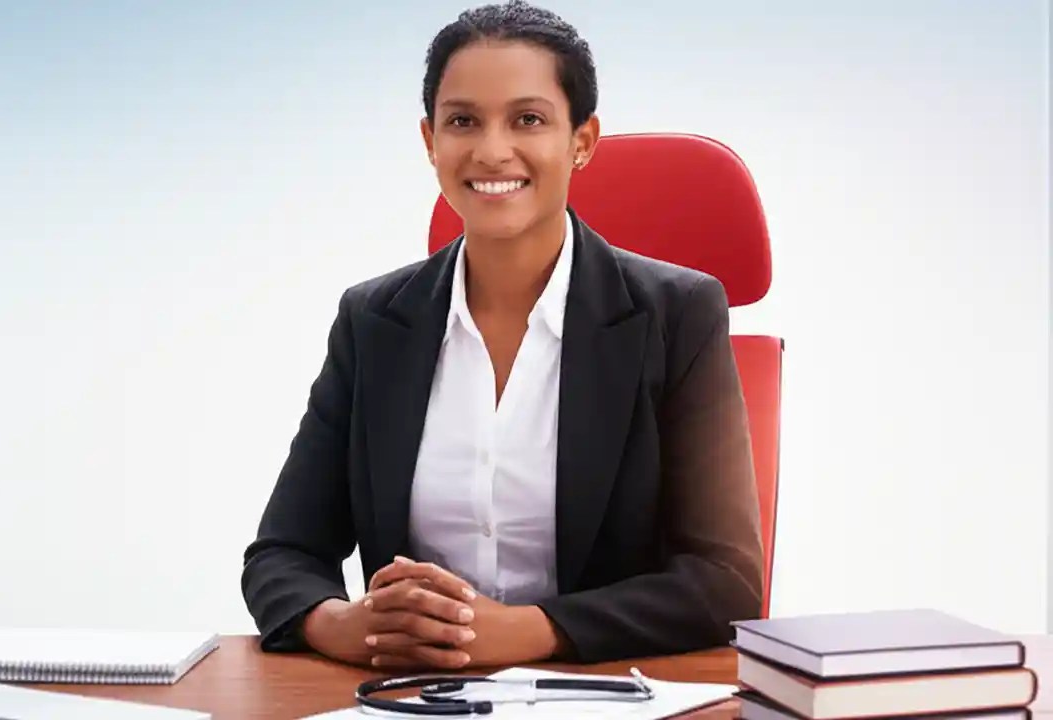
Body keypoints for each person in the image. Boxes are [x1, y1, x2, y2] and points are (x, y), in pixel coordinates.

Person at [241, 0, 763, 669]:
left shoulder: (679, 314)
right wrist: (347, 625)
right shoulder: (371, 322)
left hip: (607, 695)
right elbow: (281, 553)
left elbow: (725, 582)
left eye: (529, 119)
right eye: (462, 121)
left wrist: (531, 630)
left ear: (582, 140)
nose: (492, 150)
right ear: (430, 140)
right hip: (414, 700)